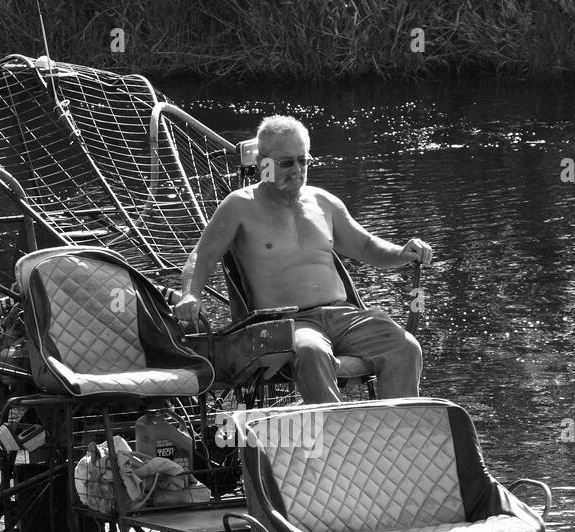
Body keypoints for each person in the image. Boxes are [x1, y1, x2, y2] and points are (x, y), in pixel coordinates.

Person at [174, 115, 431, 404]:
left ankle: (399, 429)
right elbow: (202, 255)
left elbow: (366, 246)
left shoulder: (324, 202)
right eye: (286, 163)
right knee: (312, 351)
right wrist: (190, 295)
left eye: (303, 161)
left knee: (405, 347)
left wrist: (401, 252)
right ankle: (332, 430)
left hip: (343, 315)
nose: (297, 170)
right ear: (262, 163)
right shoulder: (239, 206)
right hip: (286, 324)